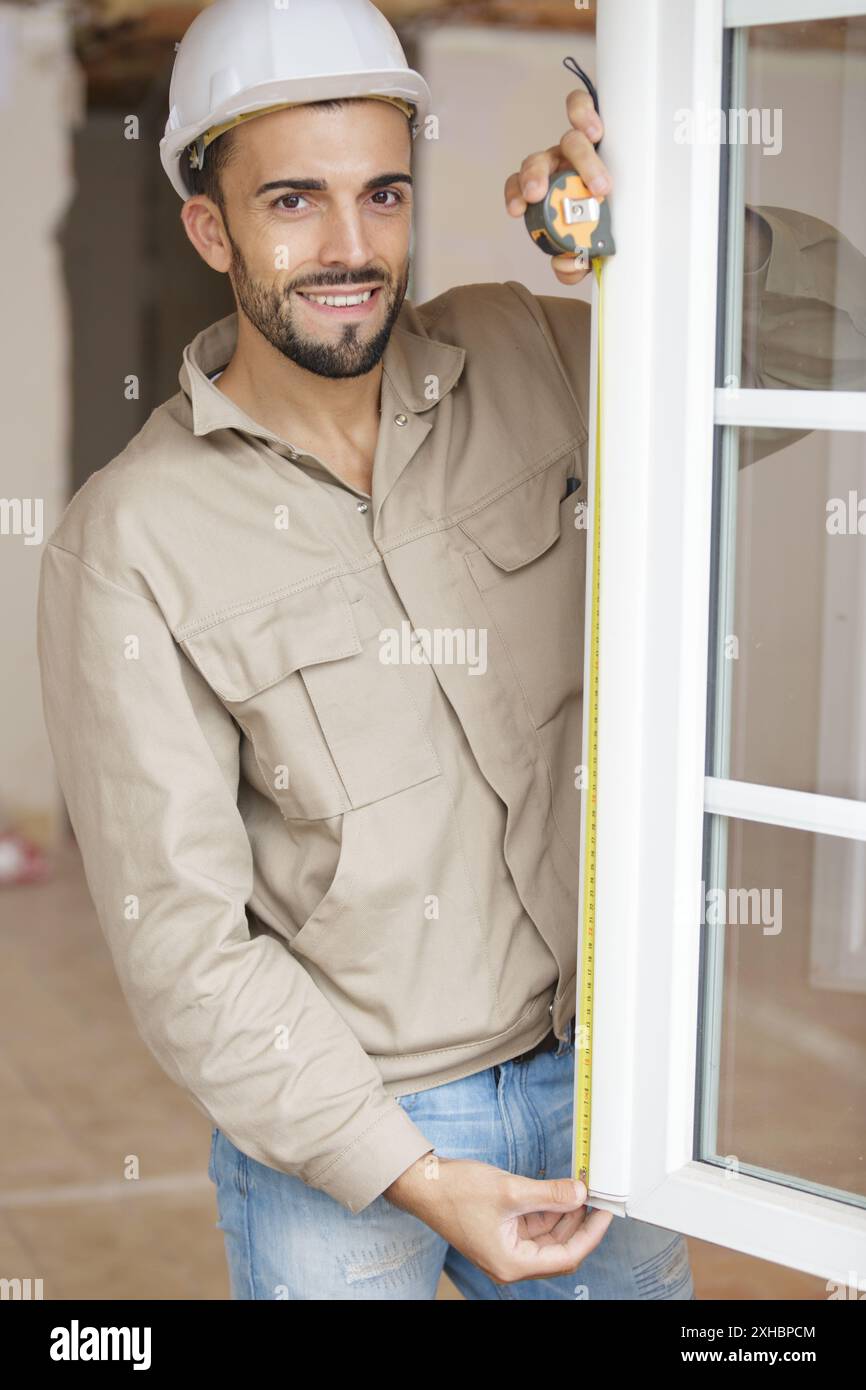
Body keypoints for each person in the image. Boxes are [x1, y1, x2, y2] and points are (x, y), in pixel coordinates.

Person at [36, 0, 865, 1300]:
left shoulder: (524, 355)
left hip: (601, 1093)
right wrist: (409, 1168)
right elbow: (182, 942)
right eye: (294, 202)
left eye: (383, 193)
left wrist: (663, 228)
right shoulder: (130, 538)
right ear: (211, 226)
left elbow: (827, 351)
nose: (351, 245)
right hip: (344, 1131)